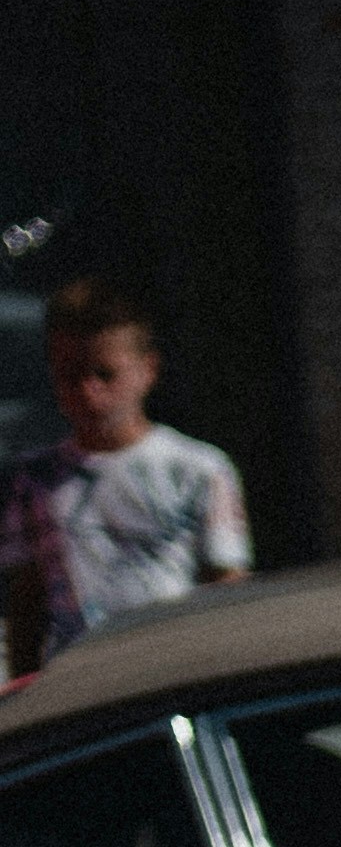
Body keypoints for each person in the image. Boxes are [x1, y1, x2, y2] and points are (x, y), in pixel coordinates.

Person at [0, 280, 252, 673]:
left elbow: (228, 590)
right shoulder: (36, 481)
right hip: (80, 687)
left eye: (105, 374)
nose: (89, 392)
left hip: (176, 675)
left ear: (147, 369)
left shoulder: (197, 469)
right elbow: (27, 605)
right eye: (70, 375)